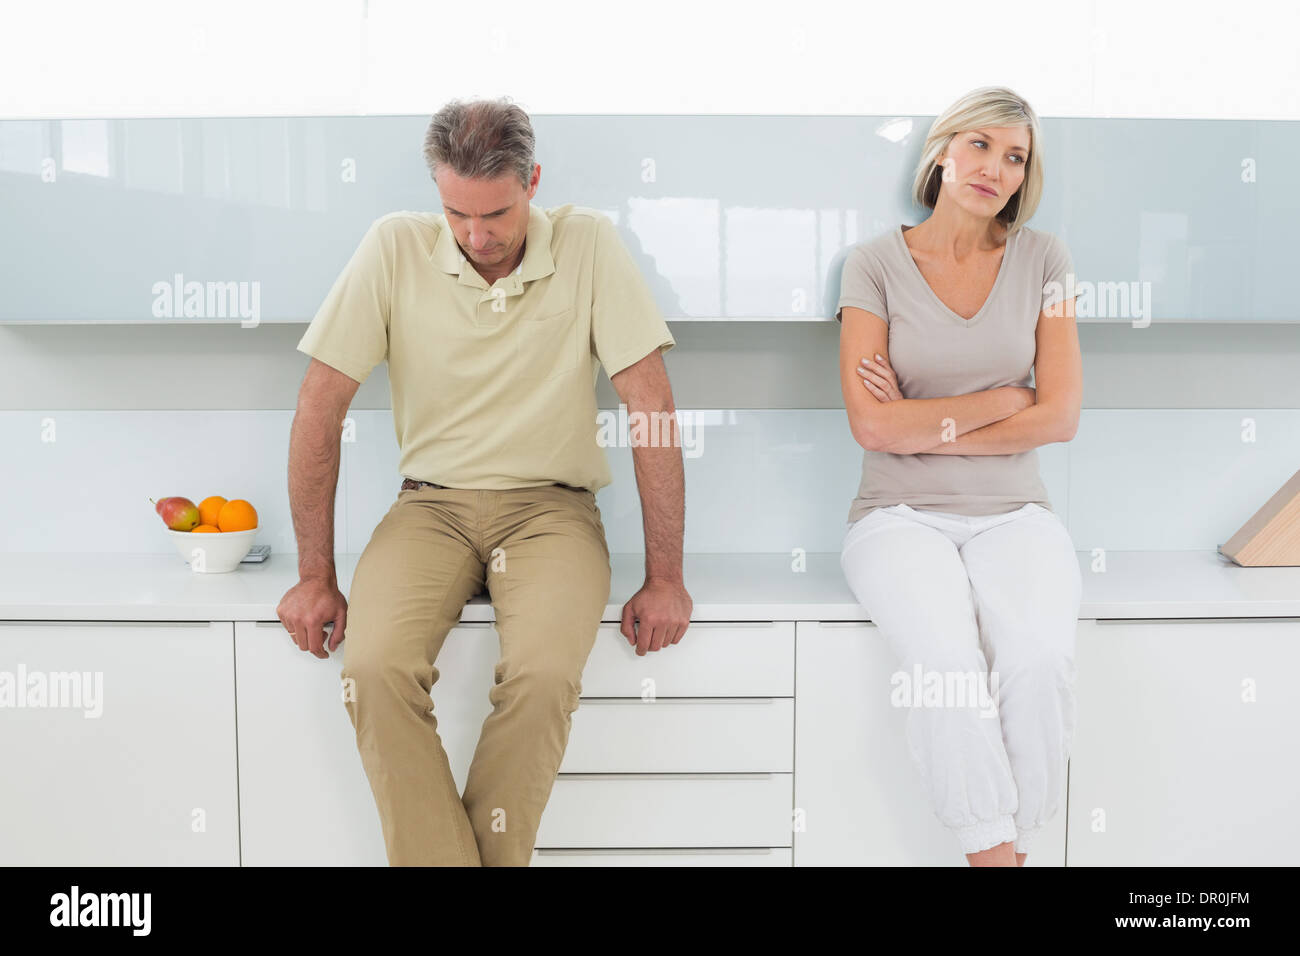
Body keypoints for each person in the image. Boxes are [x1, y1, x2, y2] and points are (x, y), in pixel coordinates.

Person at [276, 97, 693, 866]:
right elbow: (318, 406)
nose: (477, 237)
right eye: (457, 214)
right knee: (371, 670)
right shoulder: (392, 247)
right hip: (429, 509)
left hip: (551, 514)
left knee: (541, 677)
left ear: (532, 181)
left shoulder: (590, 244)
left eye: (496, 214)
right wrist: (313, 575)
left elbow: (652, 404)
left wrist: (665, 575)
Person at [836, 86, 1083, 867]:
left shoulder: (1045, 258)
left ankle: (1021, 838)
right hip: (895, 516)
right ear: (942, 151)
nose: (995, 168)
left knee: (1038, 661)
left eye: (1015, 157)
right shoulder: (874, 264)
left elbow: (1061, 417)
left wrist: (933, 426)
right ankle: (996, 858)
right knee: (945, 668)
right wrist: (1005, 401)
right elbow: (873, 426)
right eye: (980, 146)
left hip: (1016, 514)